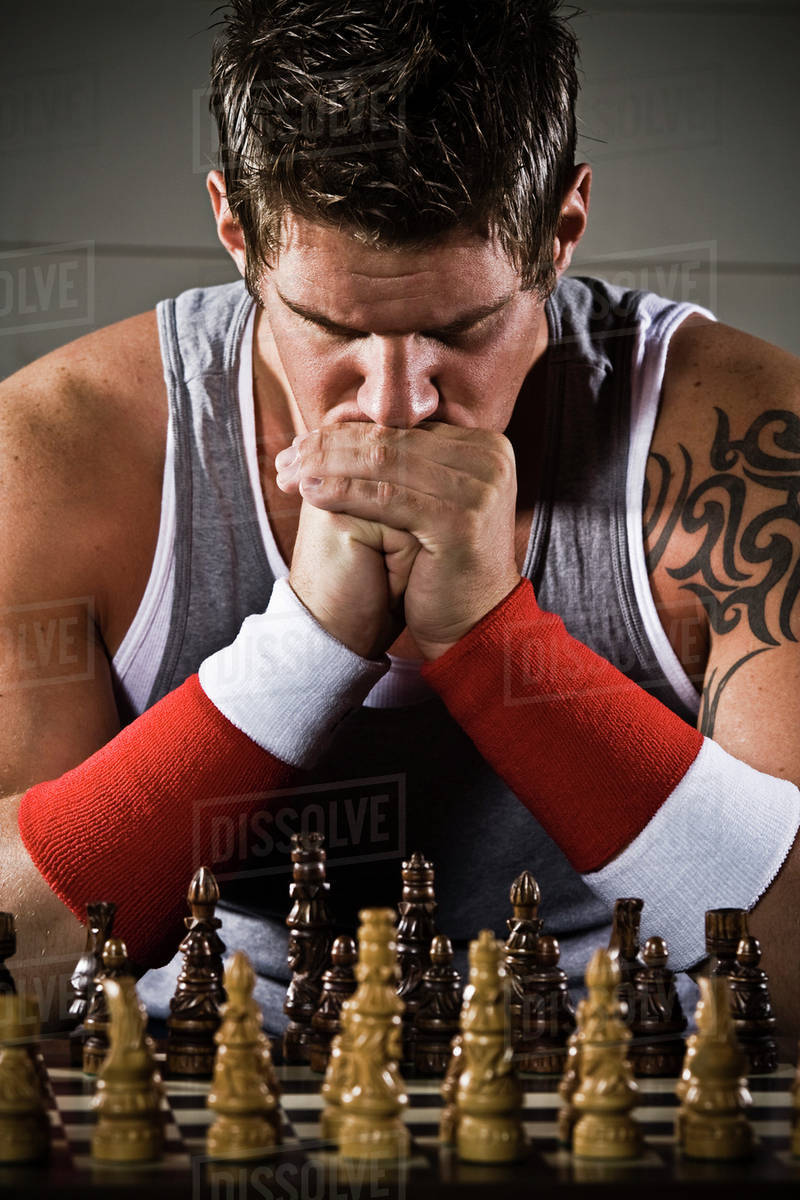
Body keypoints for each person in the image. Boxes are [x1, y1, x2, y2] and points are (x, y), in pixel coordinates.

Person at [1, 0, 799, 1035]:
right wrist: (304, 646)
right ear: (236, 236)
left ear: (560, 235)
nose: (392, 404)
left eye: (460, 330)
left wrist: (489, 638)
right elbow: (16, 959)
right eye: (329, 327)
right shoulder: (59, 449)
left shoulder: (739, 445)